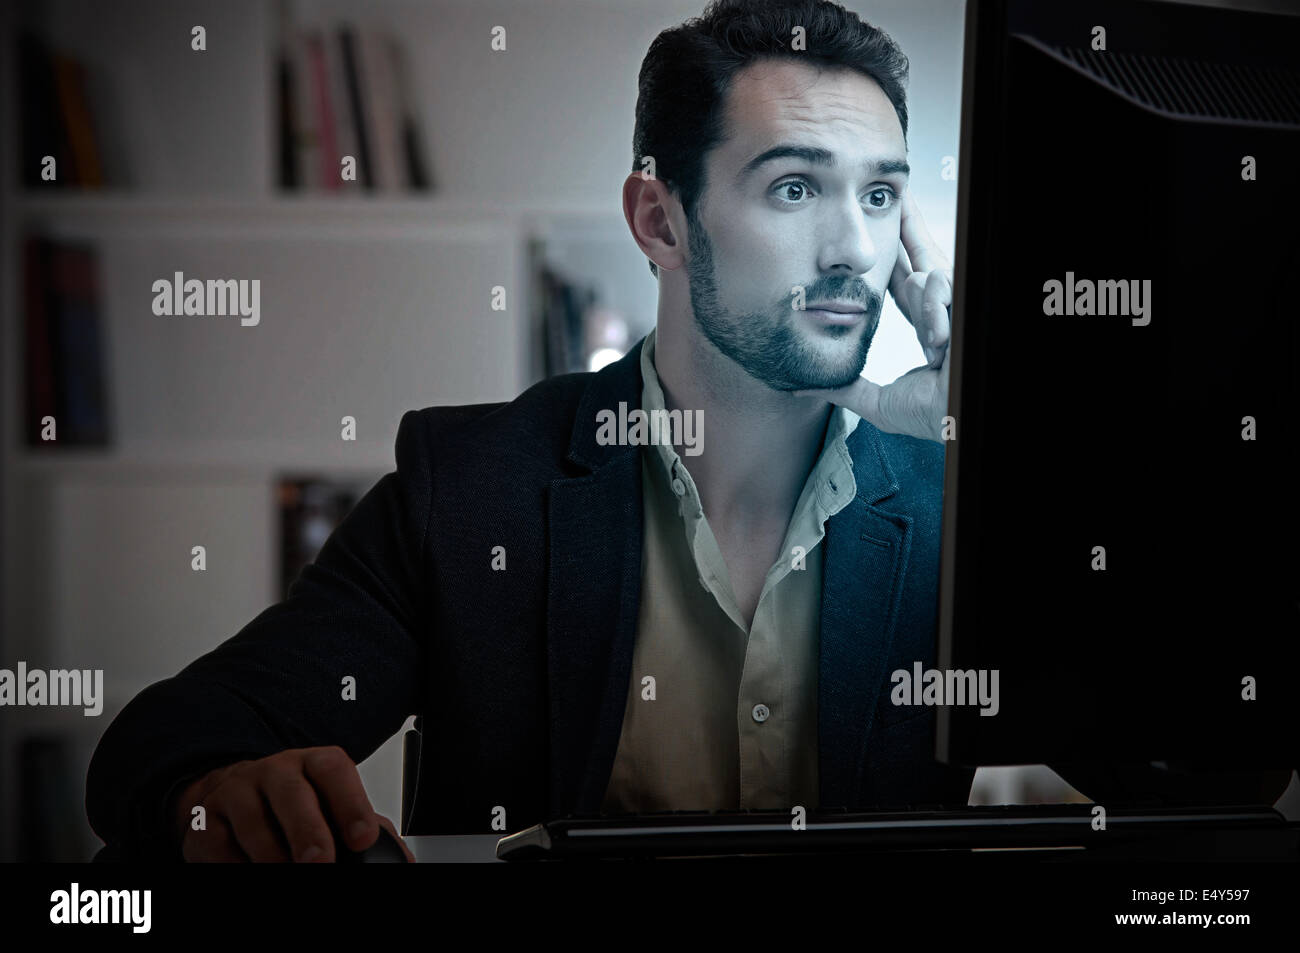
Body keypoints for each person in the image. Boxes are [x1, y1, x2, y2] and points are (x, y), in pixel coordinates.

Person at [85, 0, 1289, 863]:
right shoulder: (477, 486)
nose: (852, 250)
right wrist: (215, 793)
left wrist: (1036, 455)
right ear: (658, 220)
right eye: (793, 187)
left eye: (877, 194)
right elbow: (163, 747)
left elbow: (1214, 784)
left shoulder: (951, 504)